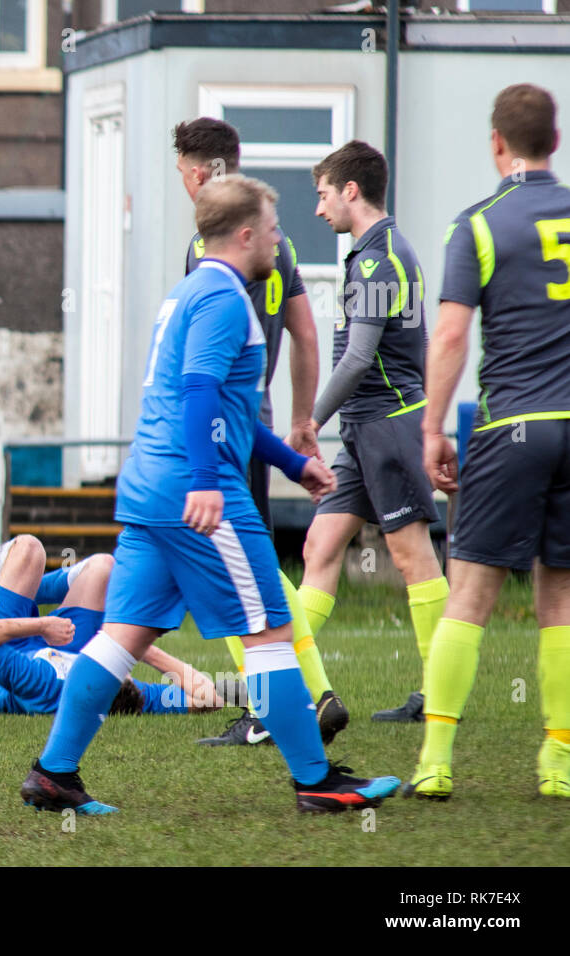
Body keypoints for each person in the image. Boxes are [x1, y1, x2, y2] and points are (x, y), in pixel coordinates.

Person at [16, 176, 399, 815]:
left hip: (149, 490)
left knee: (121, 637)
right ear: (246, 234)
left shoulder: (191, 292)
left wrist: (290, 462)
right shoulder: (224, 300)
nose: (281, 238)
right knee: (271, 633)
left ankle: (54, 773)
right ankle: (317, 782)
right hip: (196, 494)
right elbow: (198, 391)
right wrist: (202, 481)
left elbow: (227, 408)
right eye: (274, 227)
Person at [407, 84, 570, 800]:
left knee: (469, 591)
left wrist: (432, 426)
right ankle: (557, 763)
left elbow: (449, 334)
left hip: (512, 427)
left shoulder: (477, 224)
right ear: (556, 143)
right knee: (561, 597)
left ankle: (436, 761)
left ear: (496, 143)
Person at [172, 118, 346, 746]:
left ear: (199, 174)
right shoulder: (283, 243)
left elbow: (198, 375)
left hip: (223, 431)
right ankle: (315, 693)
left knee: (228, 576)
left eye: (183, 176)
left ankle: (278, 707)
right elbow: (306, 333)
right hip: (260, 419)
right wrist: (302, 420)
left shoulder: (211, 250)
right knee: (260, 569)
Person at [300, 140, 448, 724]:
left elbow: (360, 357)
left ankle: (440, 692)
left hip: (385, 423)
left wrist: (311, 421)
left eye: (323, 194)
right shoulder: (381, 250)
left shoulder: (378, 257)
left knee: (411, 556)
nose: (319, 209)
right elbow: (423, 343)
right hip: (368, 427)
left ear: (351, 191)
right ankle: (284, 677)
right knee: (319, 546)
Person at [0, 524, 232, 716]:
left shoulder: (45, 683)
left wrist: (40, 625)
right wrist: (142, 650)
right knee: (103, 567)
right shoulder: (127, 694)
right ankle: (15, 584)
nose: (125, 666)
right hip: (64, 647)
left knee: (29, 549)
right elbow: (211, 698)